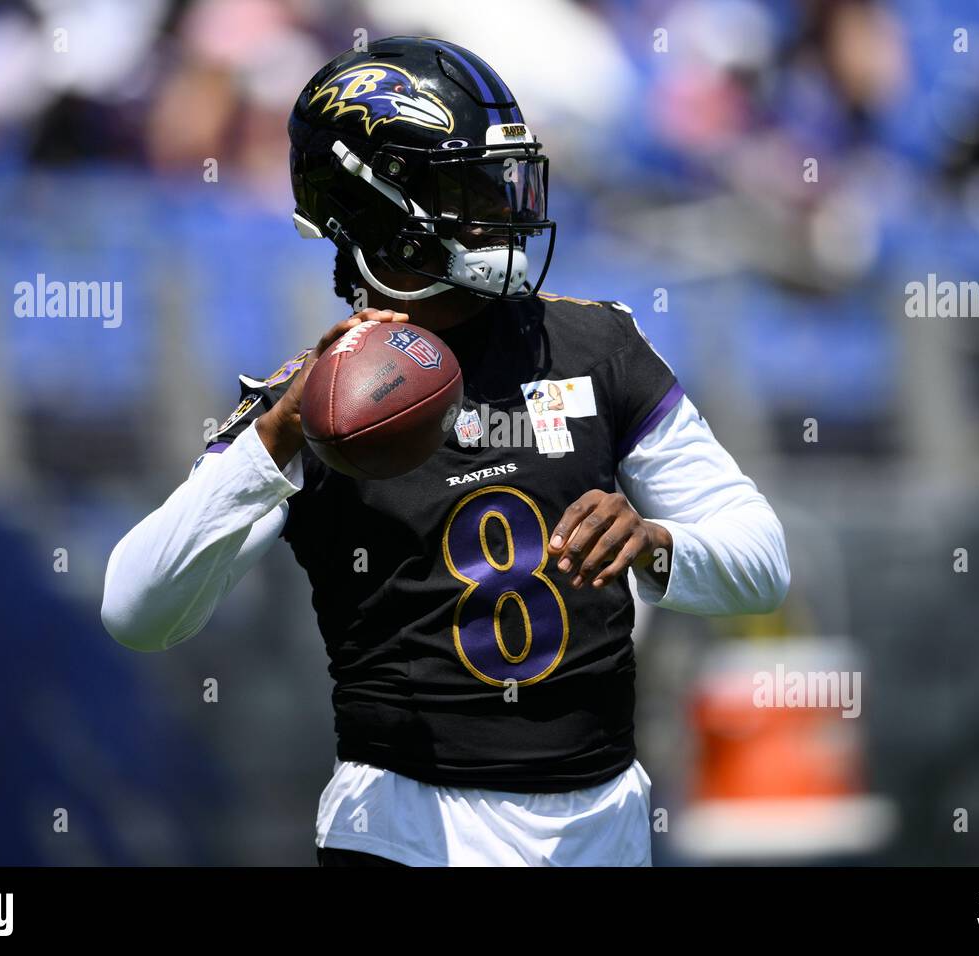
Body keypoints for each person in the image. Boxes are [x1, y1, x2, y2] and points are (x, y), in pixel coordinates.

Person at [101, 36, 790, 866]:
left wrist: (657, 544)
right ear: (379, 211)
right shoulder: (313, 404)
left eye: (504, 180)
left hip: (603, 823)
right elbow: (136, 612)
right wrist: (276, 435)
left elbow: (763, 563)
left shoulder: (595, 345)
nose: (503, 208)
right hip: (410, 830)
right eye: (469, 186)